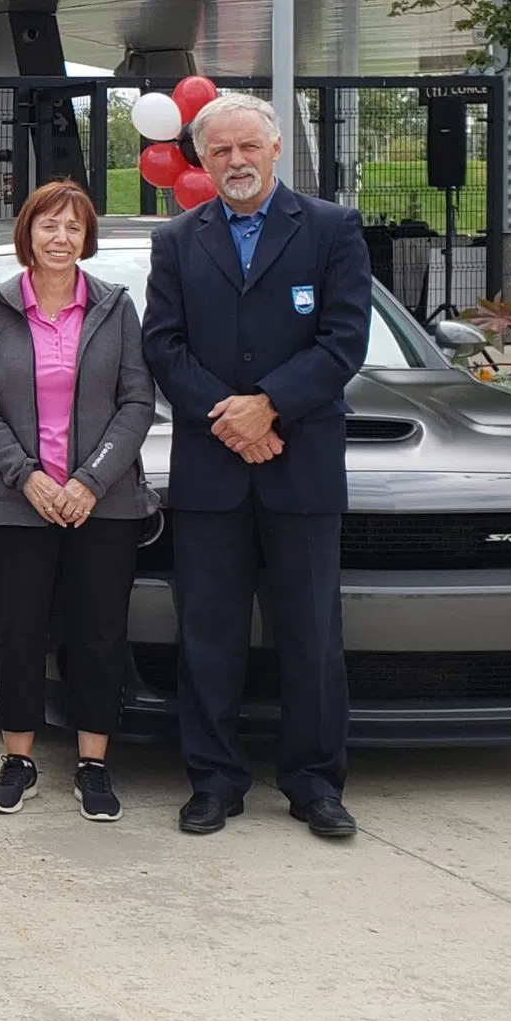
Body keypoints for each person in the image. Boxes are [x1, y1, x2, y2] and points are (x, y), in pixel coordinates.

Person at [140, 92, 370, 840]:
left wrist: (268, 406)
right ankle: (213, 779)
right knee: (208, 632)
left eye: (248, 148)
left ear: (275, 150)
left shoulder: (331, 229)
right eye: (220, 152)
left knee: (311, 632)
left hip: (300, 465)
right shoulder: (177, 240)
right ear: (202, 162)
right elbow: (164, 346)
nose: (235, 162)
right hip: (214, 469)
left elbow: (343, 341)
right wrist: (233, 420)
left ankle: (314, 783)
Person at [0, 181, 158, 821]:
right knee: (18, 630)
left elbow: (137, 402)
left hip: (105, 503)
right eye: (49, 225)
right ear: (29, 234)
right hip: (22, 502)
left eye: (73, 227)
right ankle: (18, 760)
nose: (61, 237)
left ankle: (93, 765)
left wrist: (89, 481)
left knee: (97, 632)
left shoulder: (115, 307)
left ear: (85, 238)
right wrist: (28, 476)